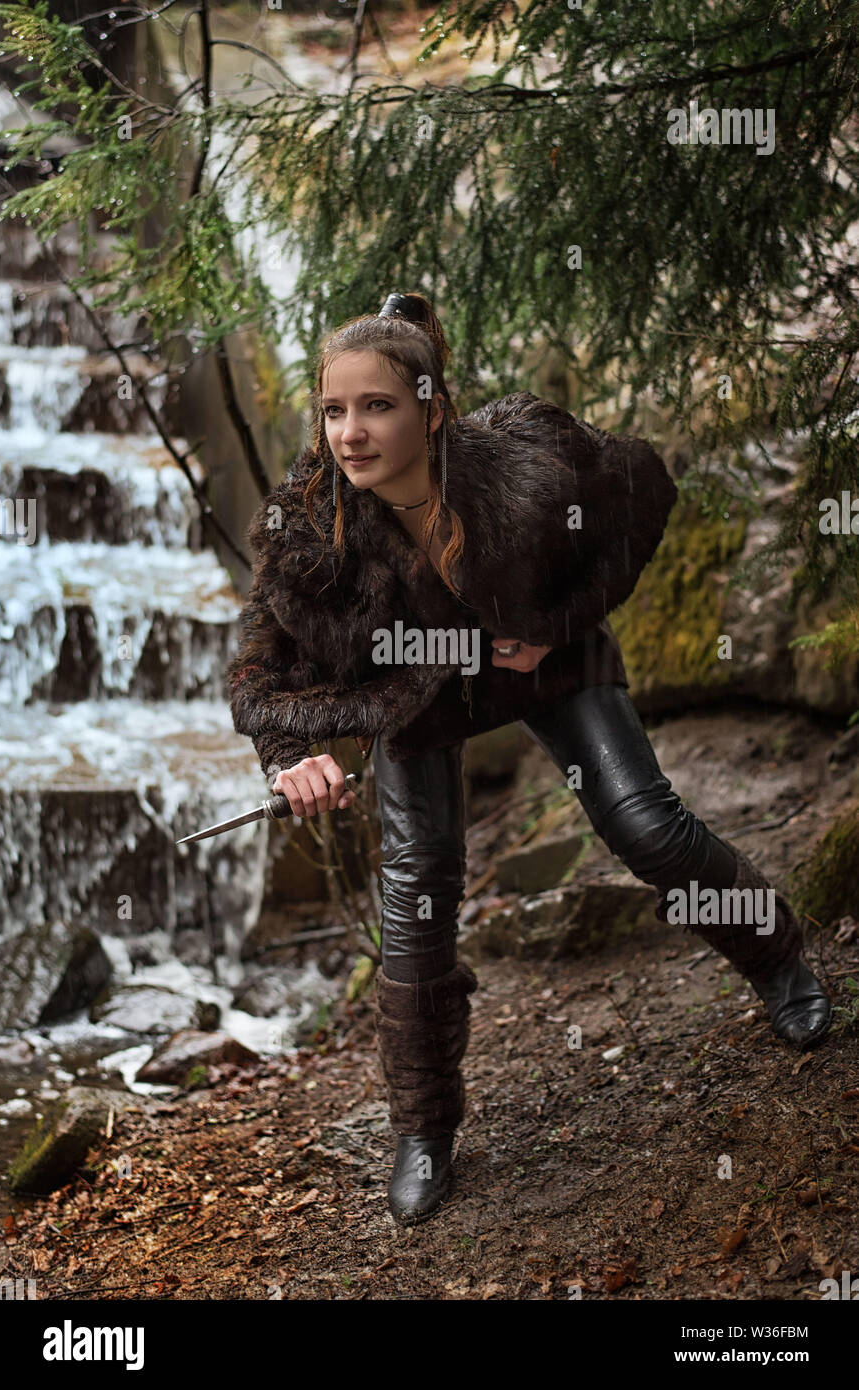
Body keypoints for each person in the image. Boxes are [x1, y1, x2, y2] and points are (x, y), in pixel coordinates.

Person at [227, 291, 832, 1227]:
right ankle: (424, 1131)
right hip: (423, 699)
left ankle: (782, 960)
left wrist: (555, 624)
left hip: (550, 666)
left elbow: (644, 487)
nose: (351, 432)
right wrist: (290, 756)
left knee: (643, 823)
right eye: (333, 410)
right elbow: (260, 676)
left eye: (377, 406)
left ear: (431, 409)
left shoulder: (521, 455)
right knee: (418, 892)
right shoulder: (307, 523)